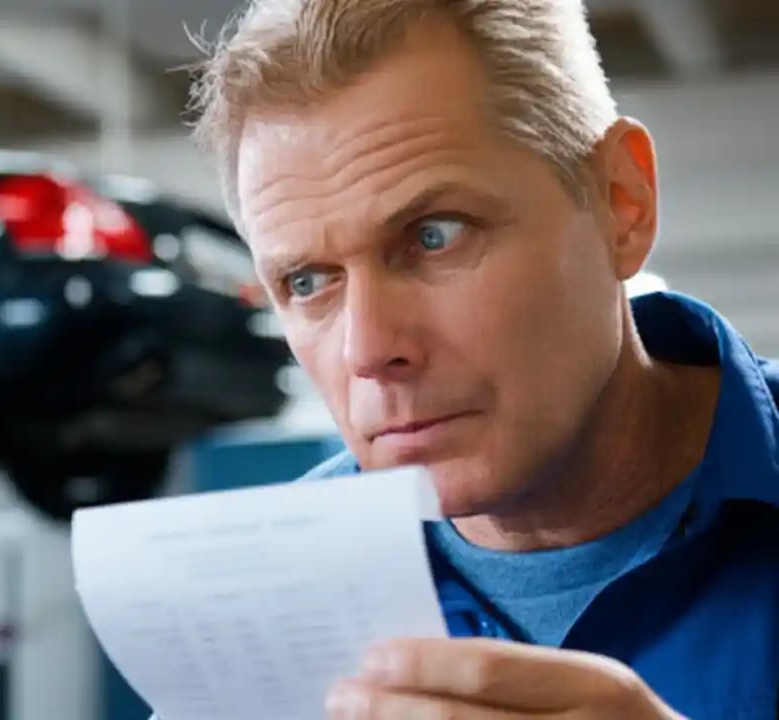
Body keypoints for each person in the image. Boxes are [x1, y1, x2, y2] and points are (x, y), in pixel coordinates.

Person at [181, 0, 779, 718]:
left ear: (623, 203)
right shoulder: (261, 603)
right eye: (308, 283)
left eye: (435, 236)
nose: (369, 350)